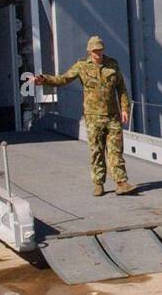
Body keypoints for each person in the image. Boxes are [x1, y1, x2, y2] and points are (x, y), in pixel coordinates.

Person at [35, 36, 137, 196]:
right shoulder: (82, 66)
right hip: (93, 117)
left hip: (112, 116)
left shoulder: (112, 64)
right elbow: (63, 79)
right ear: (89, 51)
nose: (98, 53)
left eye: (100, 50)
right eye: (95, 51)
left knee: (116, 150)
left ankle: (121, 182)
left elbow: (121, 89)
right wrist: (44, 80)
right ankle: (98, 183)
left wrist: (125, 109)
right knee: (96, 150)